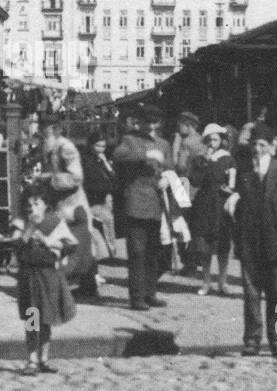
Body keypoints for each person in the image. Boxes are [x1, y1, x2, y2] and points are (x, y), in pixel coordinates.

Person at [226, 124, 277, 358]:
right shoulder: (245, 171)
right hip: (250, 241)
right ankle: (252, 340)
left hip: (276, 241)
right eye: (255, 144)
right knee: (251, 294)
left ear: (270, 147)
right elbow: (238, 205)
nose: (257, 149)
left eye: (262, 145)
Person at [11, 187, 77, 376]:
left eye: (37, 203)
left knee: (47, 319)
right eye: (29, 204)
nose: (32, 208)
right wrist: (30, 229)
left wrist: (49, 242)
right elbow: (16, 247)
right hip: (29, 277)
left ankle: (43, 359)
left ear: (45, 205)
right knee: (32, 320)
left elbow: (70, 245)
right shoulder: (21, 224)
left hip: (49, 277)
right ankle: (31, 359)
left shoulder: (55, 222)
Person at [112, 105, 172, 311]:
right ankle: (136, 297)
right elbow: (118, 155)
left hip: (155, 201)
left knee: (153, 251)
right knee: (137, 251)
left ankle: (150, 293)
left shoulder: (164, 144)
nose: (151, 126)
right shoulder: (130, 140)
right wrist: (146, 156)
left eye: (155, 122)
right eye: (147, 122)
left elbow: (171, 168)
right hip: (135, 201)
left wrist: (168, 179)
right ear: (140, 122)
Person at [40, 120, 99, 297]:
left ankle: (85, 284)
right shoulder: (52, 148)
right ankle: (86, 284)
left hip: (73, 204)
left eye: (45, 136)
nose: (42, 140)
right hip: (61, 204)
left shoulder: (66, 148)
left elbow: (76, 178)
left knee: (79, 243)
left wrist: (49, 178)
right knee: (75, 243)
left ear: (55, 134)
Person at [190, 123, 235, 296]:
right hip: (204, 204)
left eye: (215, 139)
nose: (212, 143)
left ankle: (222, 281)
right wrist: (205, 163)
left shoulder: (228, 158)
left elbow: (233, 180)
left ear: (221, 141)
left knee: (222, 245)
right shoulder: (200, 159)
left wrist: (231, 189)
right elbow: (195, 181)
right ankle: (206, 281)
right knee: (204, 246)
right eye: (209, 140)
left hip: (220, 204)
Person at [172, 111, 204, 275]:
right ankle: (197, 260)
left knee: (182, 222)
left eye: (180, 126)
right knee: (195, 224)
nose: (178, 129)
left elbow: (180, 166)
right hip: (199, 189)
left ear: (188, 125)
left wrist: (176, 144)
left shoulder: (186, 143)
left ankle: (188, 262)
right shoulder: (202, 141)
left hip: (183, 186)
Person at [82, 131, 118, 259]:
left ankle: (109, 249)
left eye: (103, 146)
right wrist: (108, 189)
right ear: (91, 145)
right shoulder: (86, 161)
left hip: (104, 199)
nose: (100, 149)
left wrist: (107, 164)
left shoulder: (102, 160)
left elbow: (113, 177)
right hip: (92, 200)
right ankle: (111, 250)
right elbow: (91, 182)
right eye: (98, 146)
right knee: (108, 218)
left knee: (109, 218)